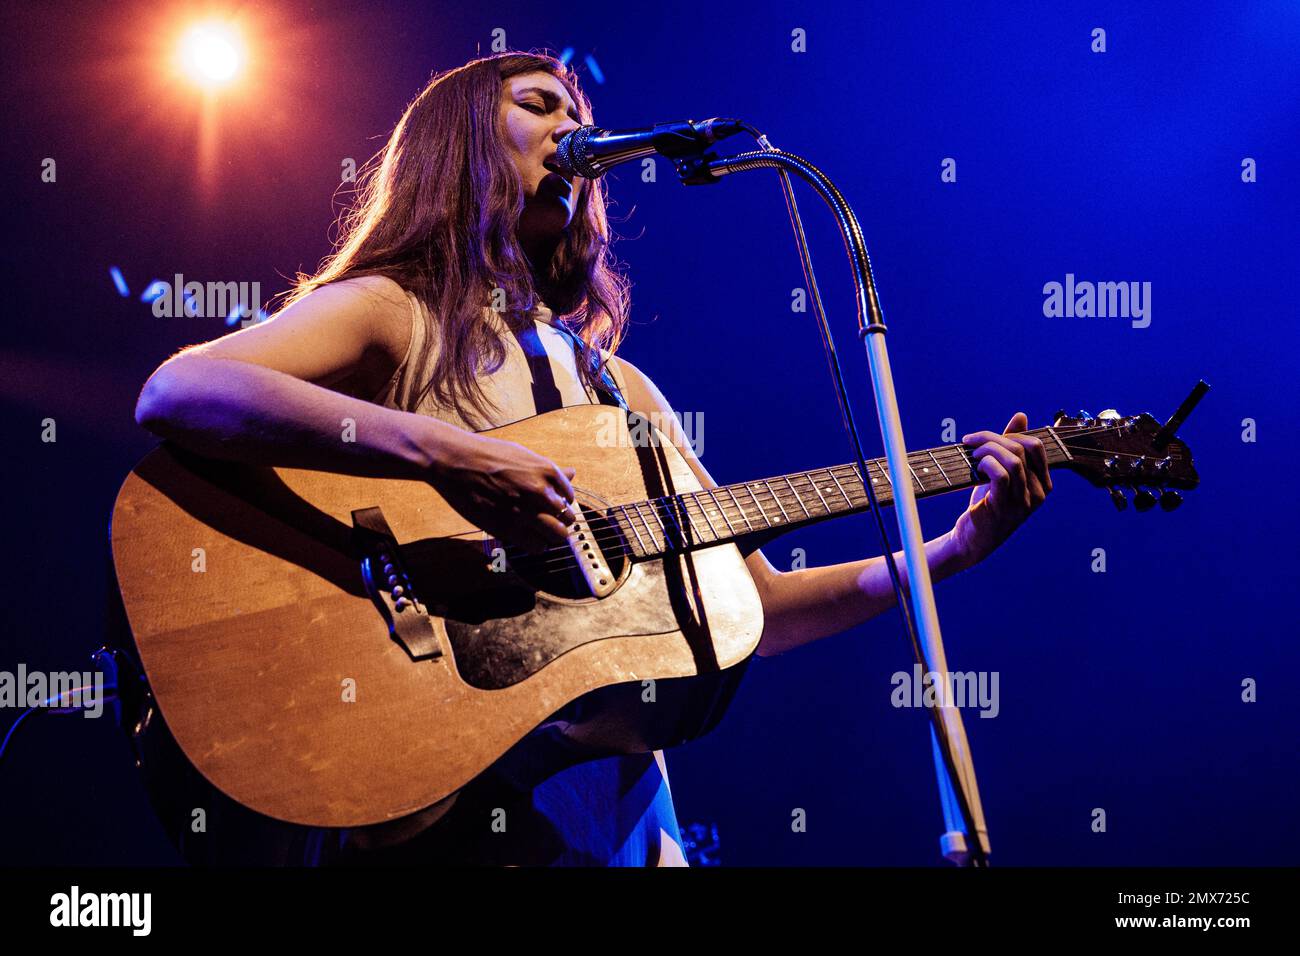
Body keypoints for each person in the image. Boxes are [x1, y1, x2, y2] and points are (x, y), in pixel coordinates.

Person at [133, 51, 1052, 867]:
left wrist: (949, 556)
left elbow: (757, 611)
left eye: (579, 113)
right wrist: (445, 454)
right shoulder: (394, 311)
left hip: (613, 814)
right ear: (458, 147)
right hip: (433, 796)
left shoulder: (627, 393)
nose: (576, 128)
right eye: (540, 106)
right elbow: (181, 392)